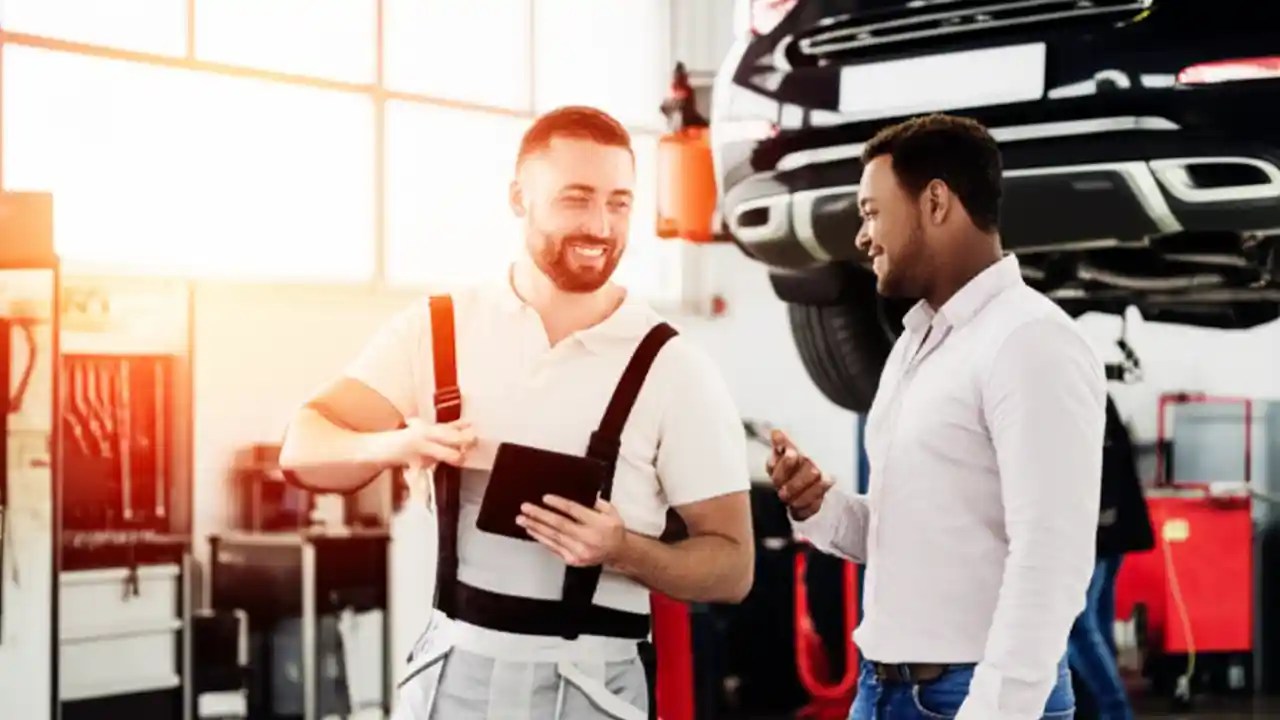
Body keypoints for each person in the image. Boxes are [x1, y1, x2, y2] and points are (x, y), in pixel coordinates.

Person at [279, 105, 754, 719]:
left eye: (618, 203)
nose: (600, 226)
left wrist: (624, 549)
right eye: (576, 199)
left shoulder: (672, 366)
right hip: (447, 682)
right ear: (518, 198)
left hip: (593, 691)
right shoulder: (437, 330)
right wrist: (395, 444)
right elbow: (304, 445)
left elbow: (733, 567)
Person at [767, 113, 1107, 720]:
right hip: (883, 691)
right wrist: (823, 509)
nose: (862, 238)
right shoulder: (919, 343)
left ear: (936, 202)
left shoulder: (1030, 340)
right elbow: (914, 533)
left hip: (970, 698)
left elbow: (1052, 556)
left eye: (872, 212)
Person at [1068, 394, 1155, 720]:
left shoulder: (1077, 394)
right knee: (1096, 629)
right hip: (1109, 533)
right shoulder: (1094, 389)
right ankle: (1098, 710)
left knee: (1077, 629)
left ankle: (1114, 711)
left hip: (1094, 535)